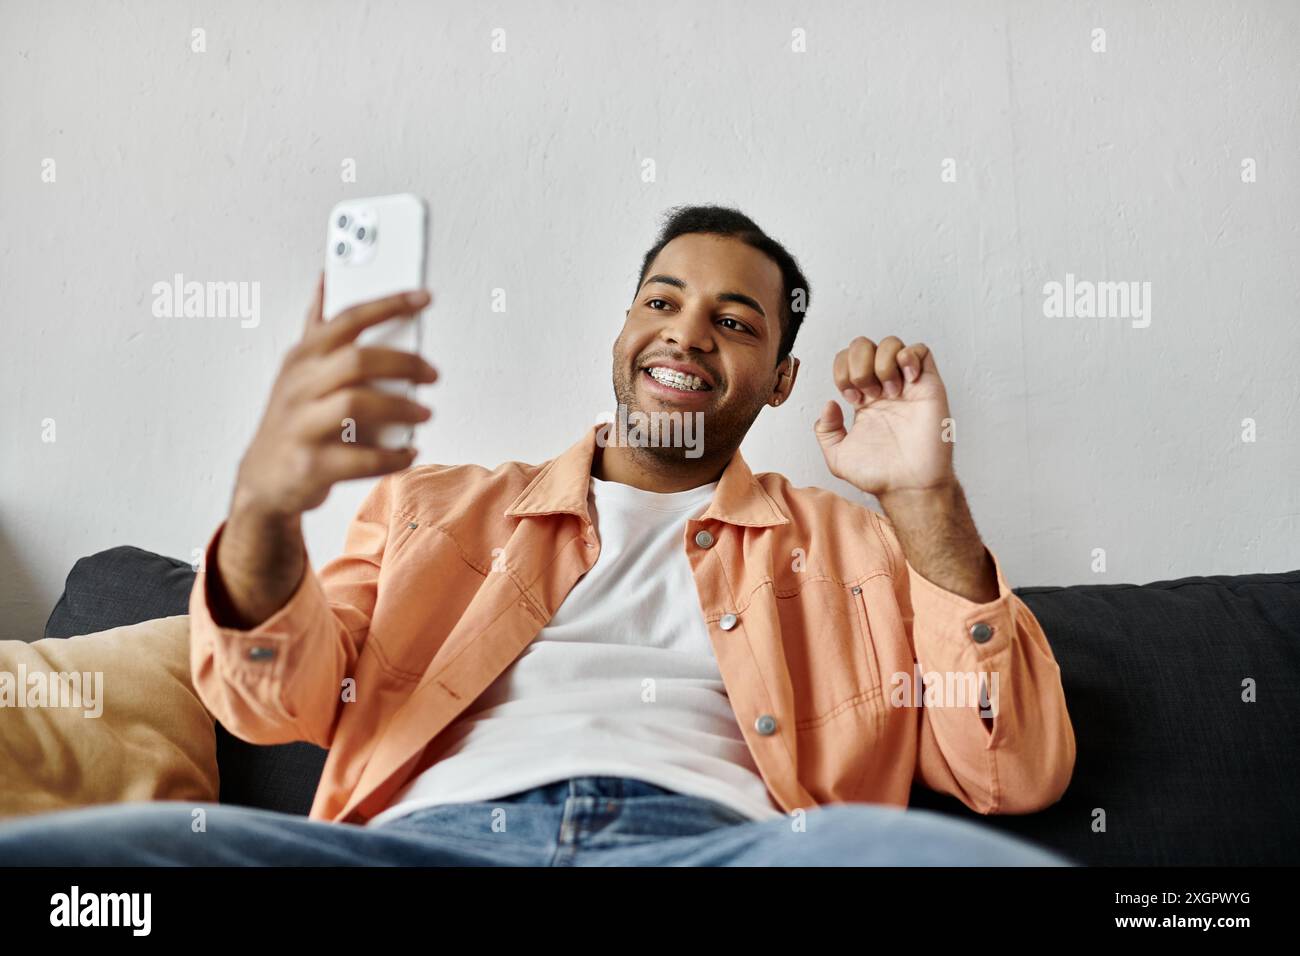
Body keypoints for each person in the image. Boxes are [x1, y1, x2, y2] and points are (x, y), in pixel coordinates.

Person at [0, 205, 1077, 866]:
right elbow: (267, 695)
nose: (687, 330)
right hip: (423, 847)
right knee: (82, 869)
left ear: (783, 380)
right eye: (661, 299)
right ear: (622, 331)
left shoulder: (855, 546)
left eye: (736, 320)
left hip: (732, 850)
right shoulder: (434, 506)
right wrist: (267, 505)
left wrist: (924, 498)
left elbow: (1014, 770)